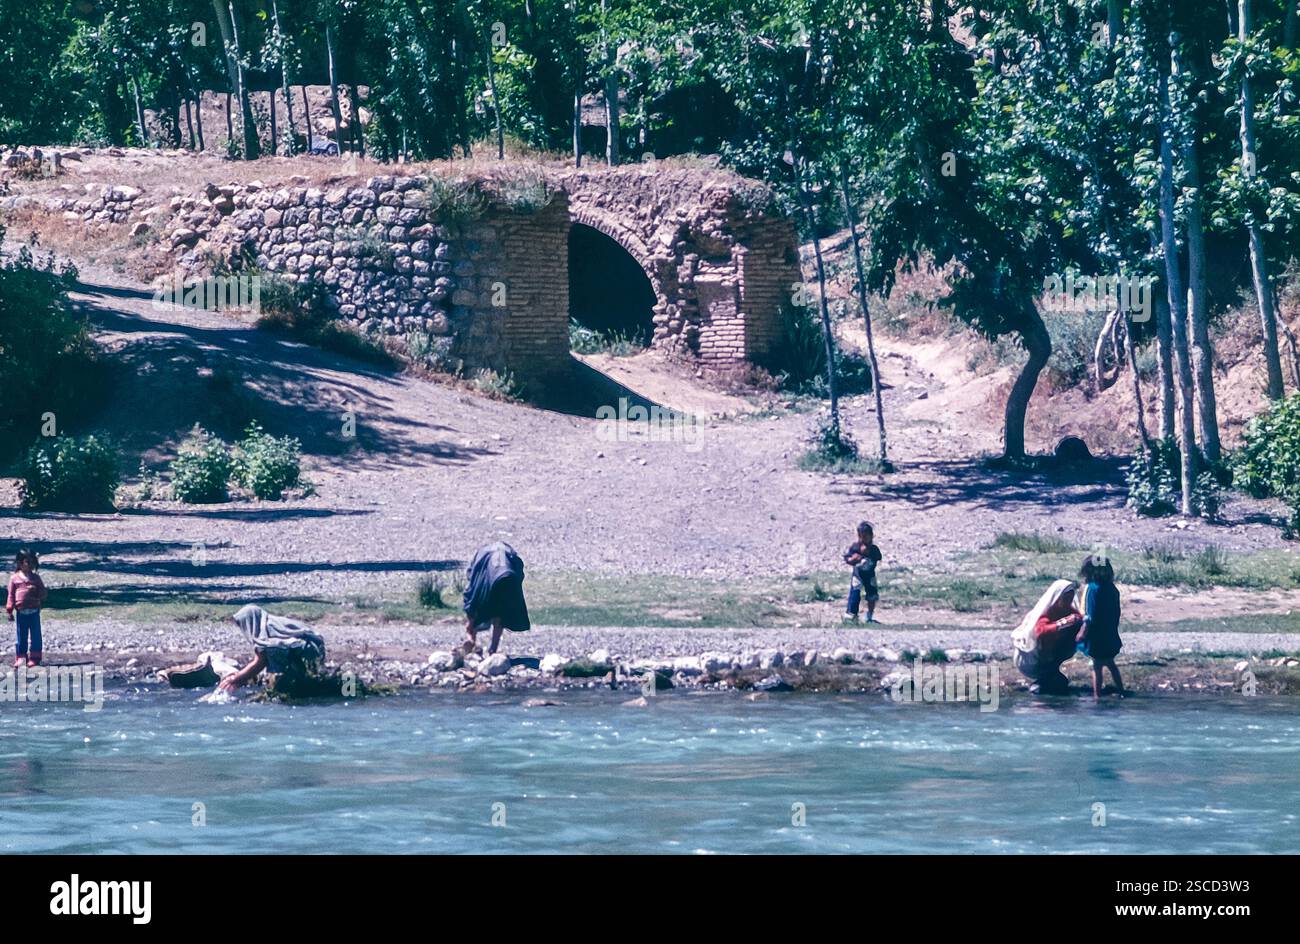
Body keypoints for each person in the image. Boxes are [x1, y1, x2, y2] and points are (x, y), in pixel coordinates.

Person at [218, 604, 326, 692]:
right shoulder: (268, 623)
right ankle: (303, 681)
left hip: (308, 651)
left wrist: (236, 679)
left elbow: (260, 662)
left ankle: (289, 684)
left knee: (272, 649)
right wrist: (239, 676)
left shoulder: (265, 631)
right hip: (313, 649)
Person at [1012, 579, 1081, 695]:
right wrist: (1062, 623)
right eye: (1065, 598)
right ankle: (1043, 678)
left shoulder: (1069, 611)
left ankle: (1051, 674)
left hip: (1053, 655)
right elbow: (1041, 630)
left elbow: (1079, 620)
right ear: (1058, 598)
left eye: (1070, 598)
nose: (1068, 601)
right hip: (1030, 660)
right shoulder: (1047, 612)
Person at [462, 542, 530, 655]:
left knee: (472, 603)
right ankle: (493, 649)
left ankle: (471, 639)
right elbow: (519, 571)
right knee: (500, 614)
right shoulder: (510, 553)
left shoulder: (482, 553)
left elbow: (471, 579)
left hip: (491, 576)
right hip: (508, 576)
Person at [1076, 555, 1125, 698]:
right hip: (1110, 633)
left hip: (1097, 636)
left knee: (1096, 666)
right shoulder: (1112, 588)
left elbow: (1089, 616)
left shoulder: (1093, 589)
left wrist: (1082, 632)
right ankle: (1121, 691)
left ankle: (1097, 697)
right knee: (1110, 663)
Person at [6, 549, 48, 668]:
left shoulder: (36, 578)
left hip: (34, 612)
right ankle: (21, 656)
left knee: (35, 635)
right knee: (21, 636)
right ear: (20, 563)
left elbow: (44, 594)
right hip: (21, 612)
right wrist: (10, 609)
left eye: (31, 562)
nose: (29, 564)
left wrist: (36, 591)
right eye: (26, 562)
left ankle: (35, 657)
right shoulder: (14, 579)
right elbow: (11, 595)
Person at [843, 521, 883, 623]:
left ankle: (869, 615)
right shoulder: (855, 547)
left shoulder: (874, 549)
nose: (862, 539)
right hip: (858, 575)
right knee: (855, 592)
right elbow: (848, 559)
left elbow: (878, 557)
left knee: (872, 594)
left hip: (870, 575)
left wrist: (868, 553)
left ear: (871, 536)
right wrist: (853, 559)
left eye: (865, 536)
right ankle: (851, 614)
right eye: (860, 536)